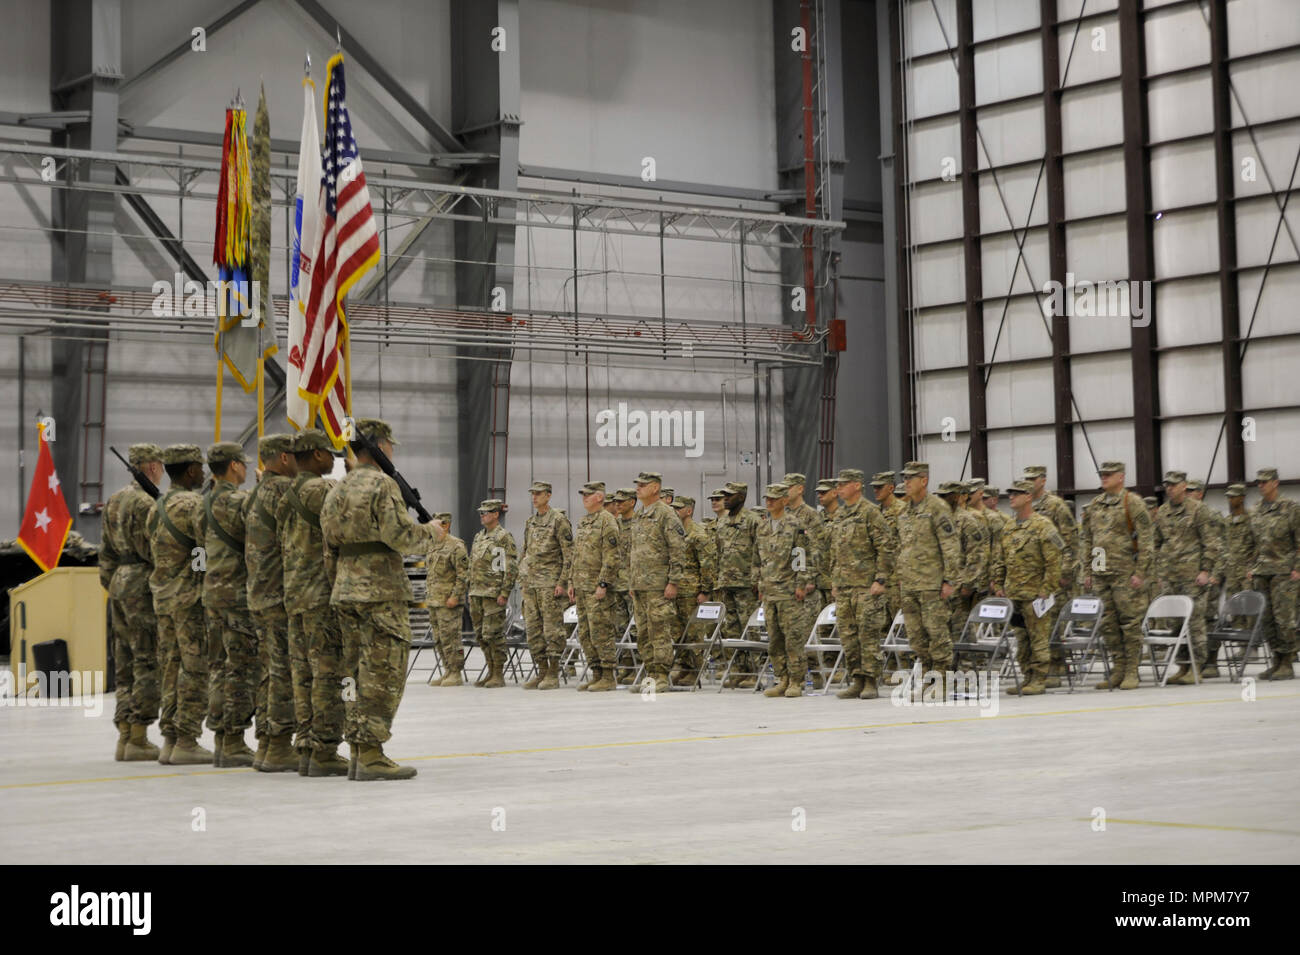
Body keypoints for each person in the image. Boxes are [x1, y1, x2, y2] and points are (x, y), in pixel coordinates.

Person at [320, 418, 441, 781]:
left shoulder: (336, 490)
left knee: (354, 673)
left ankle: (358, 749)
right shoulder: (382, 484)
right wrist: (430, 533)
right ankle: (371, 753)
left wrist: (339, 584)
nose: (392, 451)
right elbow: (399, 534)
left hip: (345, 590)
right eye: (389, 445)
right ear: (379, 447)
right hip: (380, 592)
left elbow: (329, 547)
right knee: (383, 672)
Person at [146, 444, 210, 765]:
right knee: (194, 667)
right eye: (200, 467)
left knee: (170, 666)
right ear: (190, 471)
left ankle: (170, 737)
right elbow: (204, 550)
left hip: (163, 597)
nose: (204, 472)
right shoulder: (193, 505)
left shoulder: (157, 506)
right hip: (189, 599)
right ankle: (187, 739)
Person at [101, 443, 164, 761]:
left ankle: (124, 735)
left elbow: (105, 554)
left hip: (118, 583)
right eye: (160, 466)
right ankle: (139, 736)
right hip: (142, 583)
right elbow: (153, 550)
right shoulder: (145, 503)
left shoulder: (114, 500)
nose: (163, 472)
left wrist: (113, 584)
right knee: (147, 659)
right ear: (151, 467)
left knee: (123, 662)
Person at [198, 441, 257, 768]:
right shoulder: (241, 502)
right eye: (243, 464)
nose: (246, 469)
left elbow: (198, 553)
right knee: (242, 669)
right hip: (238, 596)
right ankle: (233, 740)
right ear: (234, 466)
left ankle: (221, 738)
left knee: (218, 666)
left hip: (212, 594)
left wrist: (205, 578)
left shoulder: (201, 504)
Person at [243, 433, 298, 771]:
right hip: (279, 593)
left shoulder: (257, 493)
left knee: (268, 669)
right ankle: (277, 746)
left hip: (259, 592)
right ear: (281, 458)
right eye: (291, 455)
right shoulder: (281, 491)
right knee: (283, 671)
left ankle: (265, 741)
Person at [1080, 461, 1154, 689]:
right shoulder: (1095, 505)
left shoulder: (1132, 502)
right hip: (1101, 574)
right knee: (1107, 624)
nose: (1104, 478)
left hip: (1125, 574)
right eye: (1102, 474)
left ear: (1121, 477)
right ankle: (1118, 667)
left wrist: (1141, 572)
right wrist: (1087, 570)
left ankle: (1132, 670)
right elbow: (1086, 539)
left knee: (1130, 623)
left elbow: (1147, 540)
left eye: (1109, 475)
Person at [992, 481, 1065, 695]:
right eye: (1010, 494)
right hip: (1014, 594)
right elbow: (1001, 559)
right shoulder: (1009, 527)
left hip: (1035, 594)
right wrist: (998, 583)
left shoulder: (1043, 526)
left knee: (1038, 637)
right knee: (1022, 640)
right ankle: (1027, 677)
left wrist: (1046, 588)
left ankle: (1040, 678)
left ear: (1028, 497)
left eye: (1016, 494)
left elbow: (1054, 561)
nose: (1011, 497)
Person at [829, 468, 894, 699]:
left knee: (868, 635)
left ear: (857, 485)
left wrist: (880, 579)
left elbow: (885, 547)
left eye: (844, 484)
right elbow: (835, 551)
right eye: (838, 485)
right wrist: (835, 581)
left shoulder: (870, 513)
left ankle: (871, 681)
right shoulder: (840, 515)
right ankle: (856, 678)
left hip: (867, 586)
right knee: (848, 636)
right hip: (845, 586)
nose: (839, 488)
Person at [1152, 470, 1222, 684]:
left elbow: (1211, 543)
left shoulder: (1198, 510)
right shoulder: (1162, 512)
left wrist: (1206, 571)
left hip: (1193, 578)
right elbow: (1156, 543)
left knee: (1194, 623)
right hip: (1171, 577)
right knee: (1175, 623)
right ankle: (1182, 666)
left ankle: (1197, 666)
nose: (1170, 488)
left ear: (1184, 486)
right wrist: (1159, 571)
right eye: (1167, 485)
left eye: (1174, 484)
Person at [897, 462, 960, 697]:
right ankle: (927, 678)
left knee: (937, 634)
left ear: (924, 481)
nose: (907, 482)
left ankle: (942, 681)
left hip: (932, 584)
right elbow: (902, 547)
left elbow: (951, 546)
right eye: (905, 478)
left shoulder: (937, 508)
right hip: (911, 584)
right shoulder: (905, 512)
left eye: (911, 478)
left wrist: (950, 580)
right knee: (916, 636)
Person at [755, 483, 816, 697]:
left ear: (784, 500)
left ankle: (796, 682)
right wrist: (759, 584)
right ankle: (783, 679)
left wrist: (801, 584)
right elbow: (757, 560)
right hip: (770, 592)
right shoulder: (762, 527)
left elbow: (801, 557)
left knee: (793, 639)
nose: (769, 501)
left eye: (773, 498)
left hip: (789, 592)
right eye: (767, 498)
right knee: (774, 641)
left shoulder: (795, 525)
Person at [628, 471, 687, 691]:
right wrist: (633, 583)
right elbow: (633, 550)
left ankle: (662, 675)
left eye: (643, 485)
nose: (638, 488)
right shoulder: (639, 515)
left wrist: (674, 581)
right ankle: (650, 674)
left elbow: (677, 549)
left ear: (655, 488)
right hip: (640, 585)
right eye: (637, 484)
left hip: (659, 585)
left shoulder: (666, 514)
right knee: (643, 632)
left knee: (659, 630)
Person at [1025, 465, 1080, 688]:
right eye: (1026, 479)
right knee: (1037, 625)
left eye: (1033, 479)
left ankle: (1056, 667)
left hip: (1054, 576)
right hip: (1033, 577)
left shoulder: (1055, 506)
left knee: (1053, 622)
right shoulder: (1027, 507)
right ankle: (1040, 667)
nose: (1029, 482)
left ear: (1043, 480)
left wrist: (1066, 572)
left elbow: (1070, 541)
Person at [1246, 467, 1300, 680]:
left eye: (1265, 481)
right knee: (1267, 619)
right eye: (1258, 482)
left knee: (1283, 618)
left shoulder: (1291, 508)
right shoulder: (1255, 509)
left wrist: (1298, 568)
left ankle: (1287, 661)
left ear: (1276, 483)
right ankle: (1276, 660)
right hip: (1262, 572)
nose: (1261, 485)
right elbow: (1253, 543)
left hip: (1284, 572)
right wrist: (1250, 566)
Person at [519, 481, 573, 690]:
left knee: (552, 630)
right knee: (533, 630)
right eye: (533, 494)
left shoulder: (559, 521)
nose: (535, 497)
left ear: (548, 496)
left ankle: (553, 672)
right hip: (530, 584)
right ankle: (541, 671)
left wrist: (562, 582)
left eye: (539, 494)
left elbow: (569, 554)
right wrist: (521, 574)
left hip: (550, 584)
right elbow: (526, 550)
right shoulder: (530, 522)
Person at [569, 482, 621, 691]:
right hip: (581, 587)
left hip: (597, 588)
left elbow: (612, 556)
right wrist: (572, 581)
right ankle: (596, 673)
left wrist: (603, 583)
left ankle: (608, 676)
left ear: (600, 497)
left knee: (601, 631)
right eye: (583, 495)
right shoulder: (584, 522)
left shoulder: (607, 521)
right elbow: (577, 553)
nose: (585, 498)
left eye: (589, 495)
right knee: (586, 633)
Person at [715, 481, 762, 688]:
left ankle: (754, 672)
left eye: (730, 495)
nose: (726, 498)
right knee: (731, 629)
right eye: (724, 495)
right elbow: (719, 552)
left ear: (741, 497)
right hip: (727, 582)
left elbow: (761, 552)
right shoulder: (723, 522)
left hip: (746, 584)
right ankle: (737, 670)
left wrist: (758, 579)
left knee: (750, 629)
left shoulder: (753, 521)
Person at [467, 499, 518, 688]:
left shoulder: (503, 537)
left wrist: (504, 592)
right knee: (481, 635)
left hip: (493, 594)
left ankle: (498, 673)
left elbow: (510, 567)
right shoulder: (479, 537)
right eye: (481, 513)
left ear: (496, 514)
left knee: (494, 634)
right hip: (477, 593)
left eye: (486, 512)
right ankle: (490, 671)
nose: (482, 516)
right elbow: (473, 564)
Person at [668, 495, 717, 685]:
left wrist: (705, 590)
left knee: (694, 632)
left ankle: (695, 669)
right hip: (677, 590)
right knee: (678, 631)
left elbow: (707, 565)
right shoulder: (674, 532)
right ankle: (683, 666)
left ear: (688, 511)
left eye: (678, 508)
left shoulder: (698, 534)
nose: (674, 511)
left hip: (693, 591)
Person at [426, 511, 470, 686]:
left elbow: (463, 575)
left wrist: (455, 596)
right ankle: (447, 669)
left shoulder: (456, 546)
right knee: (439, 638)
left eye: (439, 524)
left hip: (449, 601)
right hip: (434, 600)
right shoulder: (433, 545)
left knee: (451, 637)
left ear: (446, 525)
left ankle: (456, 672)